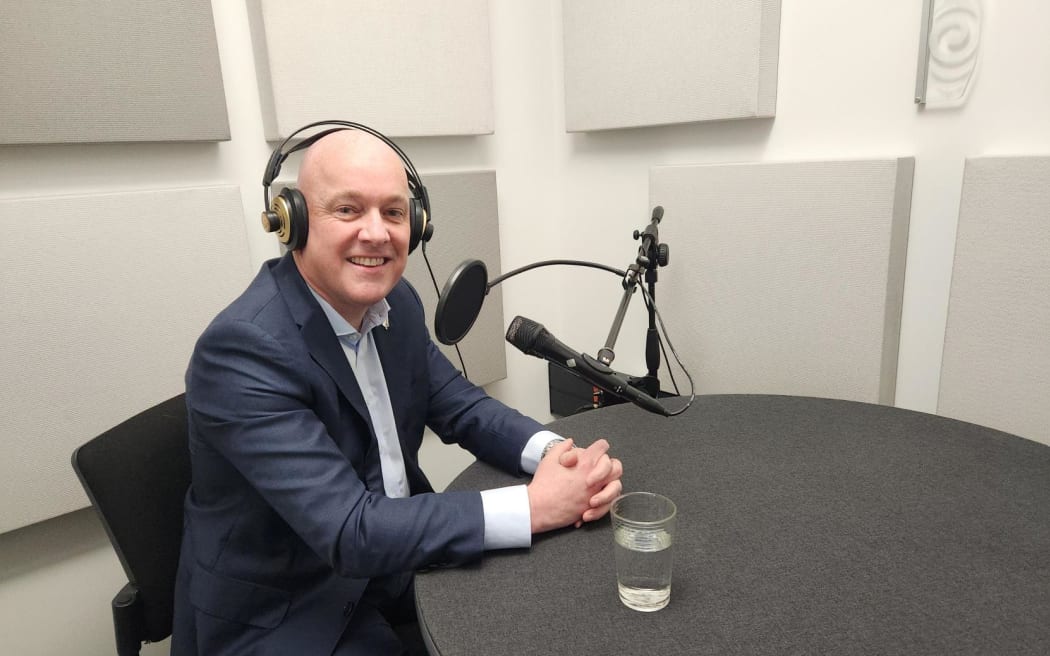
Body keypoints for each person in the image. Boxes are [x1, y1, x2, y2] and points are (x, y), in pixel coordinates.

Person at [170, 126, 623, 655]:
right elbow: (349, 530)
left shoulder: (396, 303)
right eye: (347, 210)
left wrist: (558, 457)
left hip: (394, 562)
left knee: (551, 614)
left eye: (393, 212)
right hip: (290, 609)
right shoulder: (243, 349)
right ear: (291, 221)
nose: (377, 233)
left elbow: (462, 407)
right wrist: (534, 507)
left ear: (418, 224)